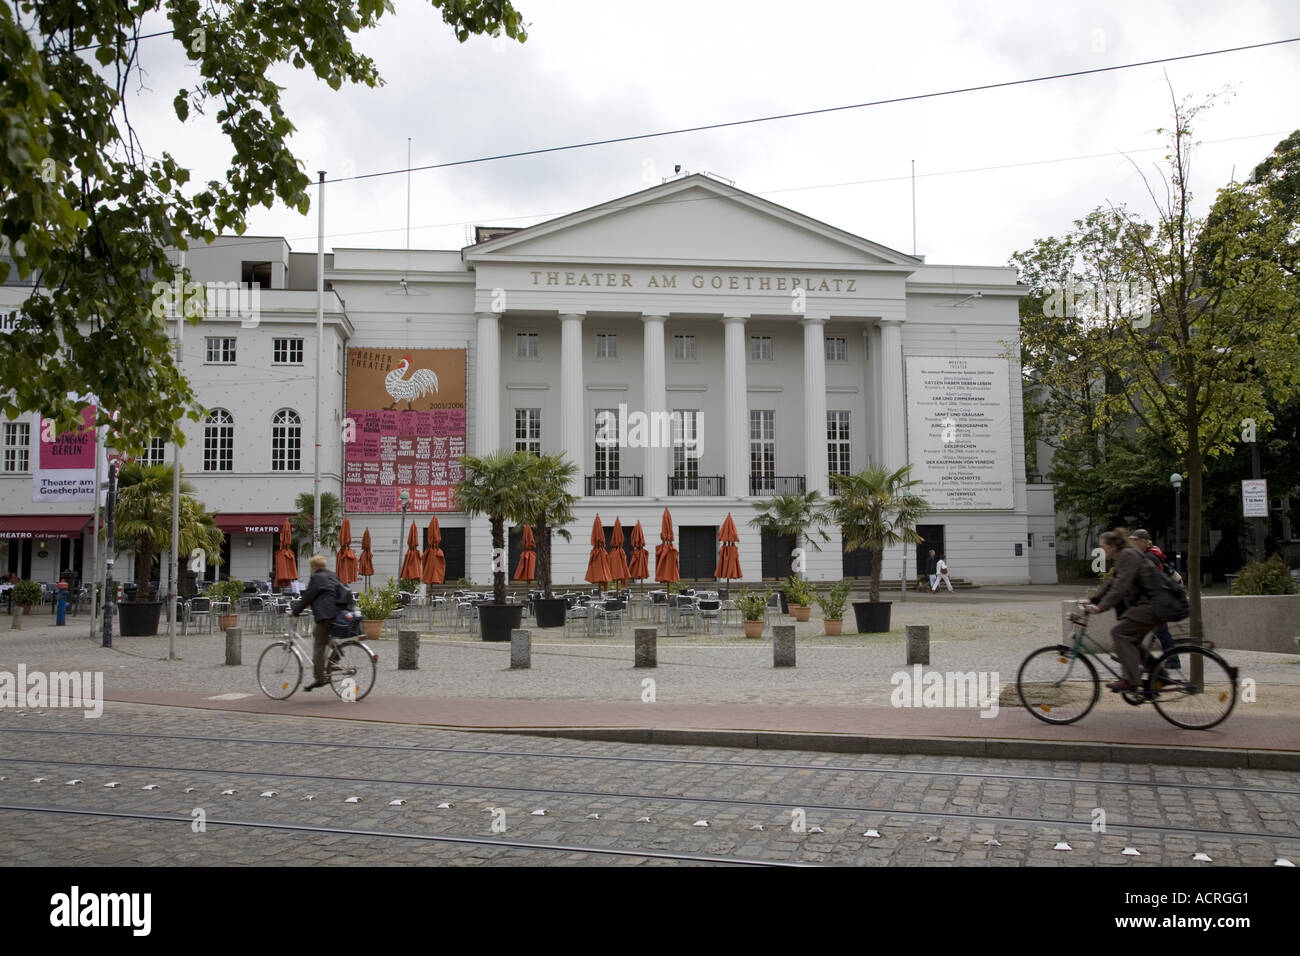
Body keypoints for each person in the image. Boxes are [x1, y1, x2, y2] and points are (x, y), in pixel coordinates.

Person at [1085, 529, 1159, 692]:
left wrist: (1101, 607)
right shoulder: (1123, 556)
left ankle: (1132, 681)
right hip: (1148, 604)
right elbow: (1111, 582)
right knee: (1132, 642)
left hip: (1152, 605)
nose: (1101, 550)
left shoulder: (1128, 555)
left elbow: (1121, 586)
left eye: (1103, 546)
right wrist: (1093, 600)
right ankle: (1158, 674)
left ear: (1112, 546)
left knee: (1119, 633)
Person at [288, 555, 347, 691]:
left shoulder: (316, 578)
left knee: (319, 646)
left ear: (313, 567)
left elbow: (307, 597)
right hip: (338, 613)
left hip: (325, 615)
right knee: (319, 634)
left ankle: (319, 678)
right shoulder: (332, 575)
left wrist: (295, 612)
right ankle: (337, 653)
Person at [1129, 529, 1181, 671]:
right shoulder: (1150, 555)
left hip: (1157, 602)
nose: (1133, 543)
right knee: (1156, 632)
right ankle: (1152, 661)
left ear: (1144, 542)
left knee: (1160, 633)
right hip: (1156, 600)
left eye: (1136, 541)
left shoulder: (1150, 558)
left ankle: (1172, 661)